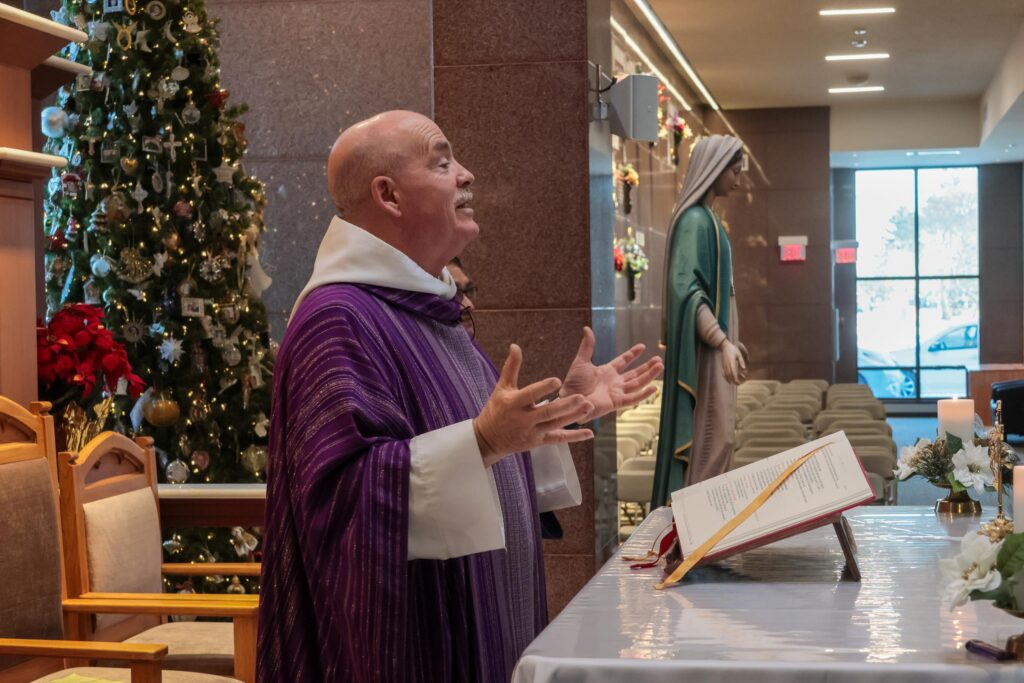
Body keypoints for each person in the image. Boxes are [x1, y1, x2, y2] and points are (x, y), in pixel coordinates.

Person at [258, 110, 663, 682]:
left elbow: (478, 442)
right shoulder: (338, 318)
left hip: (489, 612)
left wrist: (560, 411)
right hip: (411, 639)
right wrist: (482, 441)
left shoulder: (424, 304)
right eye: (443, 162)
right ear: (388, 195)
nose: (467, 174)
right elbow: (338, 502)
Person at [651, 135, 749, 507]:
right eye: (734, 171)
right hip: (704, 356)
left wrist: (731, 341)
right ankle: (695, 533)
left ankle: (709, 533)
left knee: (721, 439)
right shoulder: (695, 220)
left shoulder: (709, 218)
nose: (737, 180)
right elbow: (687, 290)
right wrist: (721, 341)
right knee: (712, 439)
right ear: (714, 169)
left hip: (715, 348)